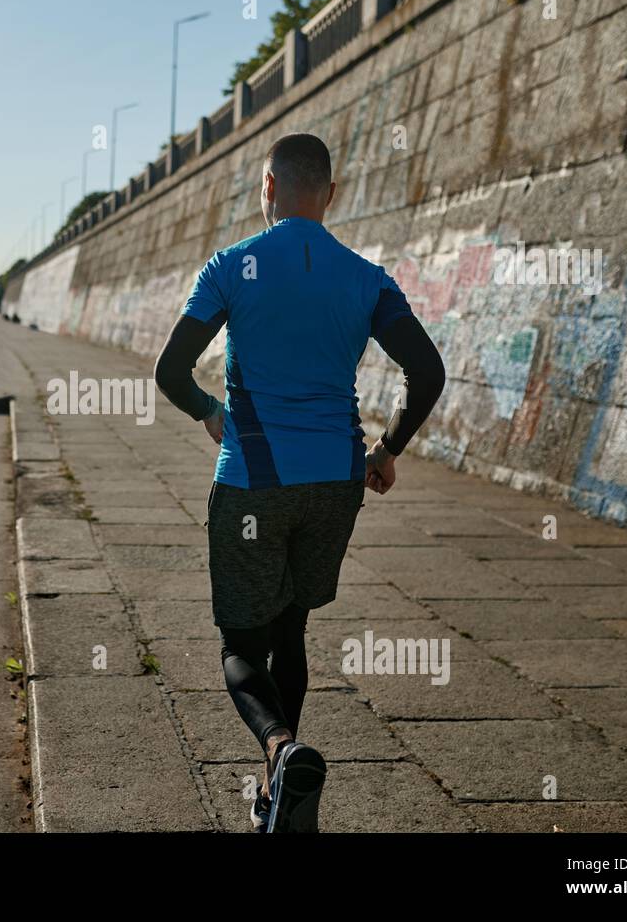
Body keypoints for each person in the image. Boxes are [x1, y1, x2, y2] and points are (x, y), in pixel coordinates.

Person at [154, 133, 445, 833]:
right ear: (331, 194)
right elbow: (428, 374)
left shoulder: (231, 267)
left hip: (254, 478)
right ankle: (276, 792)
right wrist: (387, 449)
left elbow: (170, 372)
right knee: (293, 632)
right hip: (335, 482)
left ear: (268, 187)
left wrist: (210, 412)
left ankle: (280, 751)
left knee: (239, 649)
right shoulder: (365, 277)